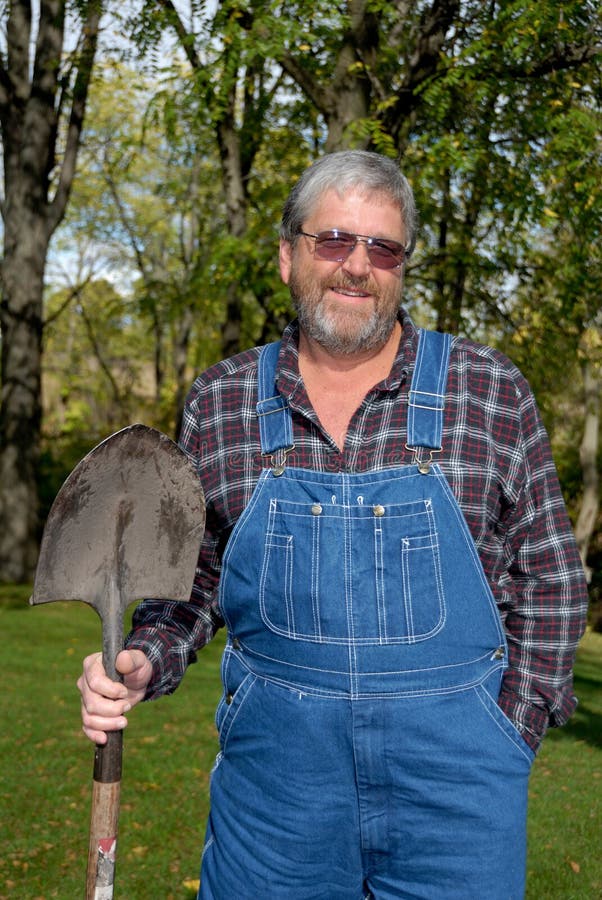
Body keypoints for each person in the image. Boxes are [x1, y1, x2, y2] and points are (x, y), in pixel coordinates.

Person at [78, 150, 588, 899]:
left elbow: (552, 581)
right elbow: (196, 582)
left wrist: (509, 732)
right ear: (289, 256)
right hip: (277, 791)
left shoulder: (488, 392)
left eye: (382, 248)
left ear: (401, 267)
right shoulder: (220, 403)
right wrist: (146, 657)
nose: (358, 266)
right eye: (334, 241)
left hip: (457, 795)